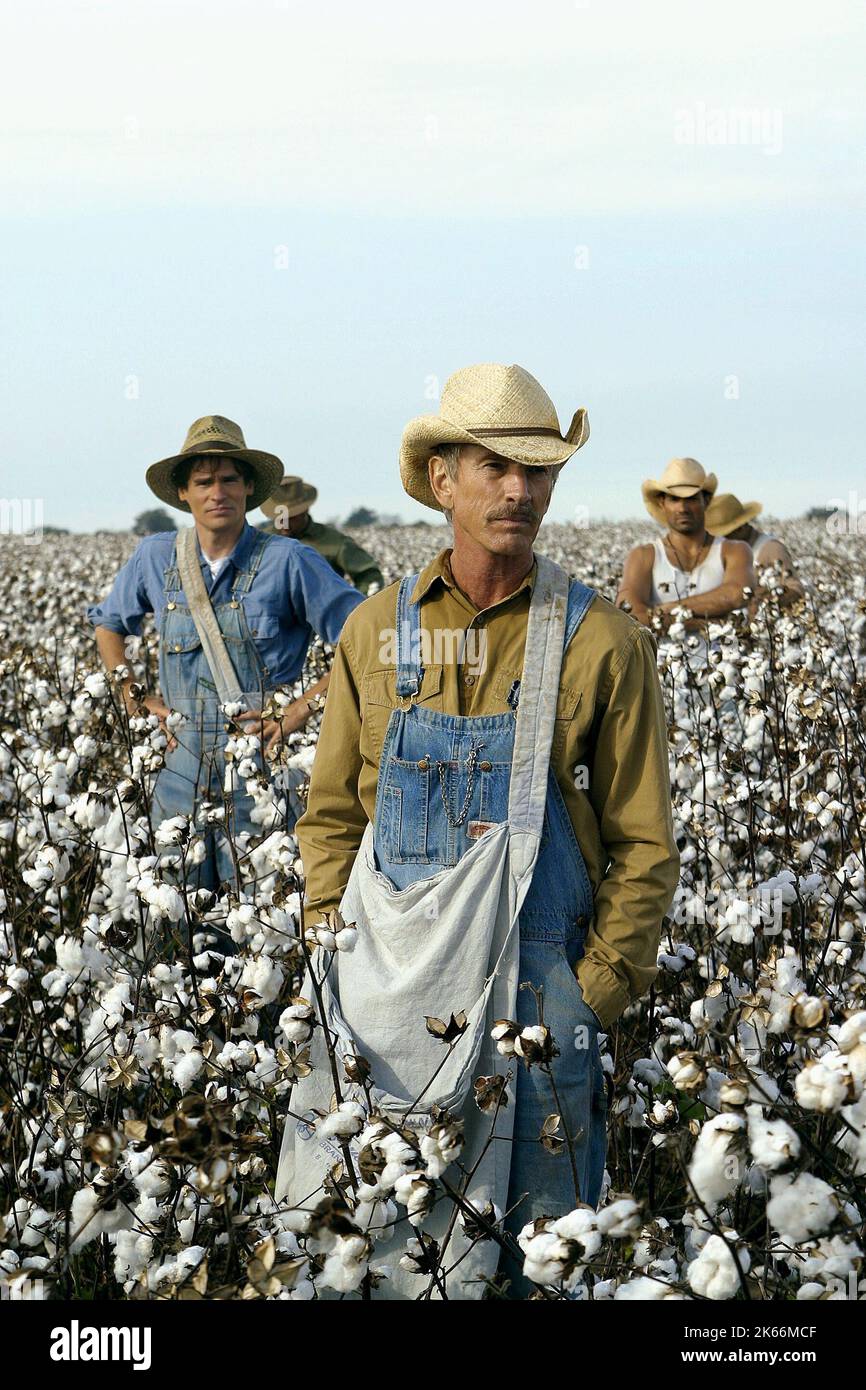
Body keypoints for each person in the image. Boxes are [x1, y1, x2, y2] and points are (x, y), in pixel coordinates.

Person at [275, 364, 679, 1298]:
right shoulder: (374, 632)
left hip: (541, 994)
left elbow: (645, 842)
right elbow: (332, 812)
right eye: (494, 465)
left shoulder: (604, 640)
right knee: (378, 1247)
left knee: (539, 1259)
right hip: (385, 990)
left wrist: (594, 990)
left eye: (537, 471)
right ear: (443, 479)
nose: (518, 490)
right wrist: (333, 948)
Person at [86, 415, 363, 897]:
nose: (218, 492)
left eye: (229, 479)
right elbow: (109, 624)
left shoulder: (289, 561)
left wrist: (301, 710)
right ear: (183, 493)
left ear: (249, 487)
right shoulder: (155, 557)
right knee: (174, 919)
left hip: (261, 779)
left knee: (265, 924)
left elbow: (365, 640)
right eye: (203, 481)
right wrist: (134, 696)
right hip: (176, 777)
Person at [617, 457, 755, 633]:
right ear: (662, 503)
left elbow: (738, 593)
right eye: (674, 499)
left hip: (728, 660)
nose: (683, 508)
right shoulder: (644, 556)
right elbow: (629, 617)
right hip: (660, 661)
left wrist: (666, 611)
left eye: (691, 499)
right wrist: (702, 623)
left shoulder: (734, 551)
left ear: (706, 500)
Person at [260, 474, 384, 594]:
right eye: (279, 518)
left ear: (304, 510)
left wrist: (353, 608)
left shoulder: (335, 542)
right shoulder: (260, 541)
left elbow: (370, 577)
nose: (284, 524)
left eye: (291, 518)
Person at [706, 492, 805, 606]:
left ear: (740, 528)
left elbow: (796, 591)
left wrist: (770, 599)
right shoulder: (724, 551)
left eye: (725, 535)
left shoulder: (769, 549)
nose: (720, 541)